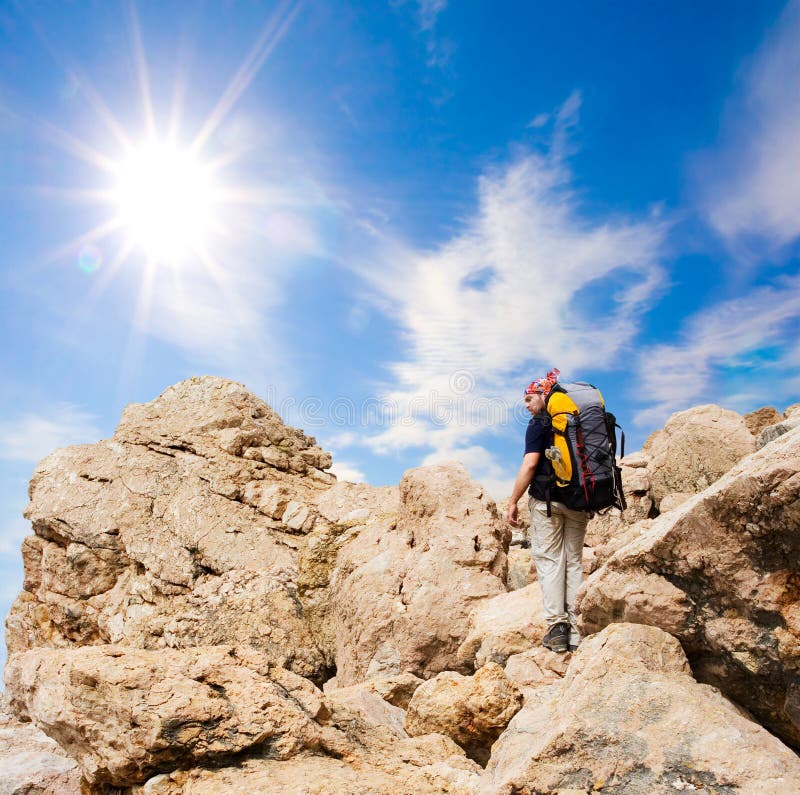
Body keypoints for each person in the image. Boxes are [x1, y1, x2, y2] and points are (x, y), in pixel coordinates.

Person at [506, 369, 589, 653]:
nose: (527, 405)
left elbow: (530, 465)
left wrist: (513, 500)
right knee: (574, 561)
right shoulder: (579, 420)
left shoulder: (539, 423)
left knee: (551, 561)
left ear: (544, 395)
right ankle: (577, 632)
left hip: (546, 503)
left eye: (530, 398)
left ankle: (557, 628)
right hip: (579, 501)